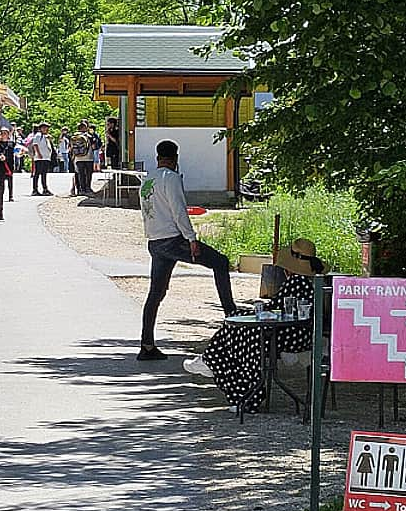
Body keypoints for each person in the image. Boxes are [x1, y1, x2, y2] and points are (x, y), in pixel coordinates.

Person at [185, 239, 326, 412]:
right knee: (239, 325)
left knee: (244, 332)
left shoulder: (296, 282)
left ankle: (234, 381)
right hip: (296, 331)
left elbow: (277, 309)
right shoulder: (308, 283)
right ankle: (213, 363)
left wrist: (260, 309)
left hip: (291, 333)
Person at [139, 140, 237, 360]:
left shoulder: (148, 180)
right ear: (175, 158)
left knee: (156, 293)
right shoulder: (171, 178)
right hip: (174, 240)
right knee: (220, 262)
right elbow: (178, 210)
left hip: (155, 241)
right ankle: (233, 317)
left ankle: (146, 344)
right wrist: (191, 238)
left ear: (157, 158)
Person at [30, 122, 53, 195]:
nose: (46, 129)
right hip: (40, 158)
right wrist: (38, 154)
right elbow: (35, 145)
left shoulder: (46, 137)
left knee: (44, 174)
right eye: (44, 127)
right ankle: (35, 189)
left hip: (46, 158)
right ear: (41, 128)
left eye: (47, 128)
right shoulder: (38, 135)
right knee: (37, 174)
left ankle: (45, 189)